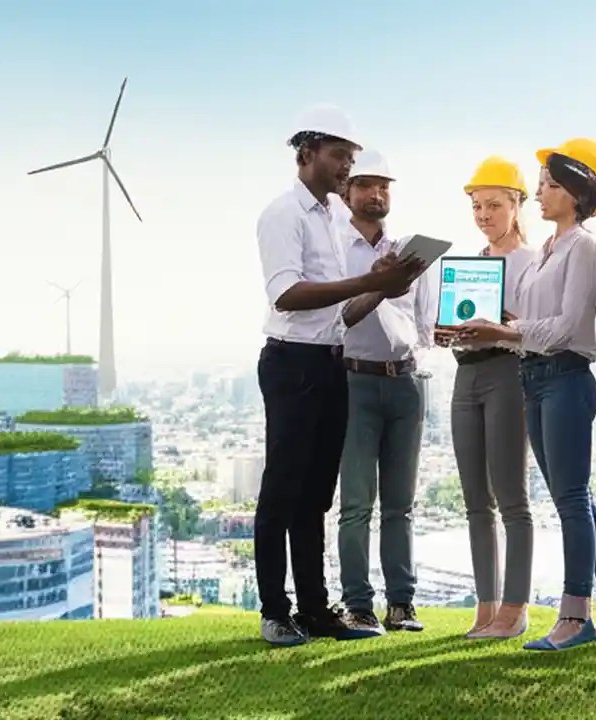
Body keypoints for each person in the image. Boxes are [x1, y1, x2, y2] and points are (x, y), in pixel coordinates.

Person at [457, 138, 596, 650]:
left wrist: (505, 334)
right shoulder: (546, 252)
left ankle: (574, 616)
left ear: (577, 192)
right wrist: (500, 327)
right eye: (540, 185)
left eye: (550, 185)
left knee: (570, 499)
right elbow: (536, 320)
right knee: (572, 494)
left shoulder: (584, 246)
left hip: (564, 376)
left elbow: (566, 326)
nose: (540, 193)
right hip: (534, 378)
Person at [254, 104, 424, 646]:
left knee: (316, 498)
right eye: (340, 157)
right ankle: (274, 611)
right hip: (292, 363)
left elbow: (337, 307)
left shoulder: (328, 216)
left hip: (329, 362)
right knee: (281, 492)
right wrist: (363, 286)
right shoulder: (283, 214)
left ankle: (315, 611)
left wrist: (380, 283)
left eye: (351, 158)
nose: (346, 168)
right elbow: (286, 293)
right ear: (306, 154)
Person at [333, 148, 437, 636]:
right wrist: (383, 284)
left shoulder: (411, 253)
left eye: (384, 187)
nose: (377, 194)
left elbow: (425, 325)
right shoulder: (334, 250)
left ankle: (402, 604)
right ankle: (357, 604)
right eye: (367, 185)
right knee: (356, 503)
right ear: (347, 192)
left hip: (406, 383)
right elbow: (340, 317)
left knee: (402, 504)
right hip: (354, 382)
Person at [443, 157, 536, 639]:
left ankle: (515, 609)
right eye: (477, 206)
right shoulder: (474, 262)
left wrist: (501, 320)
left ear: (516, 205)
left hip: (506, 373)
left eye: (493, 205)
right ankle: (486, 607)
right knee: (476, 502)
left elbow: (535, 325)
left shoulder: (531, 261)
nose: (483, 214)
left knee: (512, 499)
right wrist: (448, 331)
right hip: (466, 376)